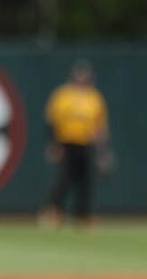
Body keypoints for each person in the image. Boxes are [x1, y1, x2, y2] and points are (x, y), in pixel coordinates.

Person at [38, 60, 111, 228]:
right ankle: (53, 212)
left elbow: (101, 126)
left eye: (85, 76)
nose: (82, 79)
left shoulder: (94, 97)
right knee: (63, 179)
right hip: (65, 142)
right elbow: (51, 121)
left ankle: (82, 215)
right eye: (79, 75)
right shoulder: (63, 95)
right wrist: (52, 144)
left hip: (85, 143)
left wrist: (104, 152)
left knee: (85, 181)